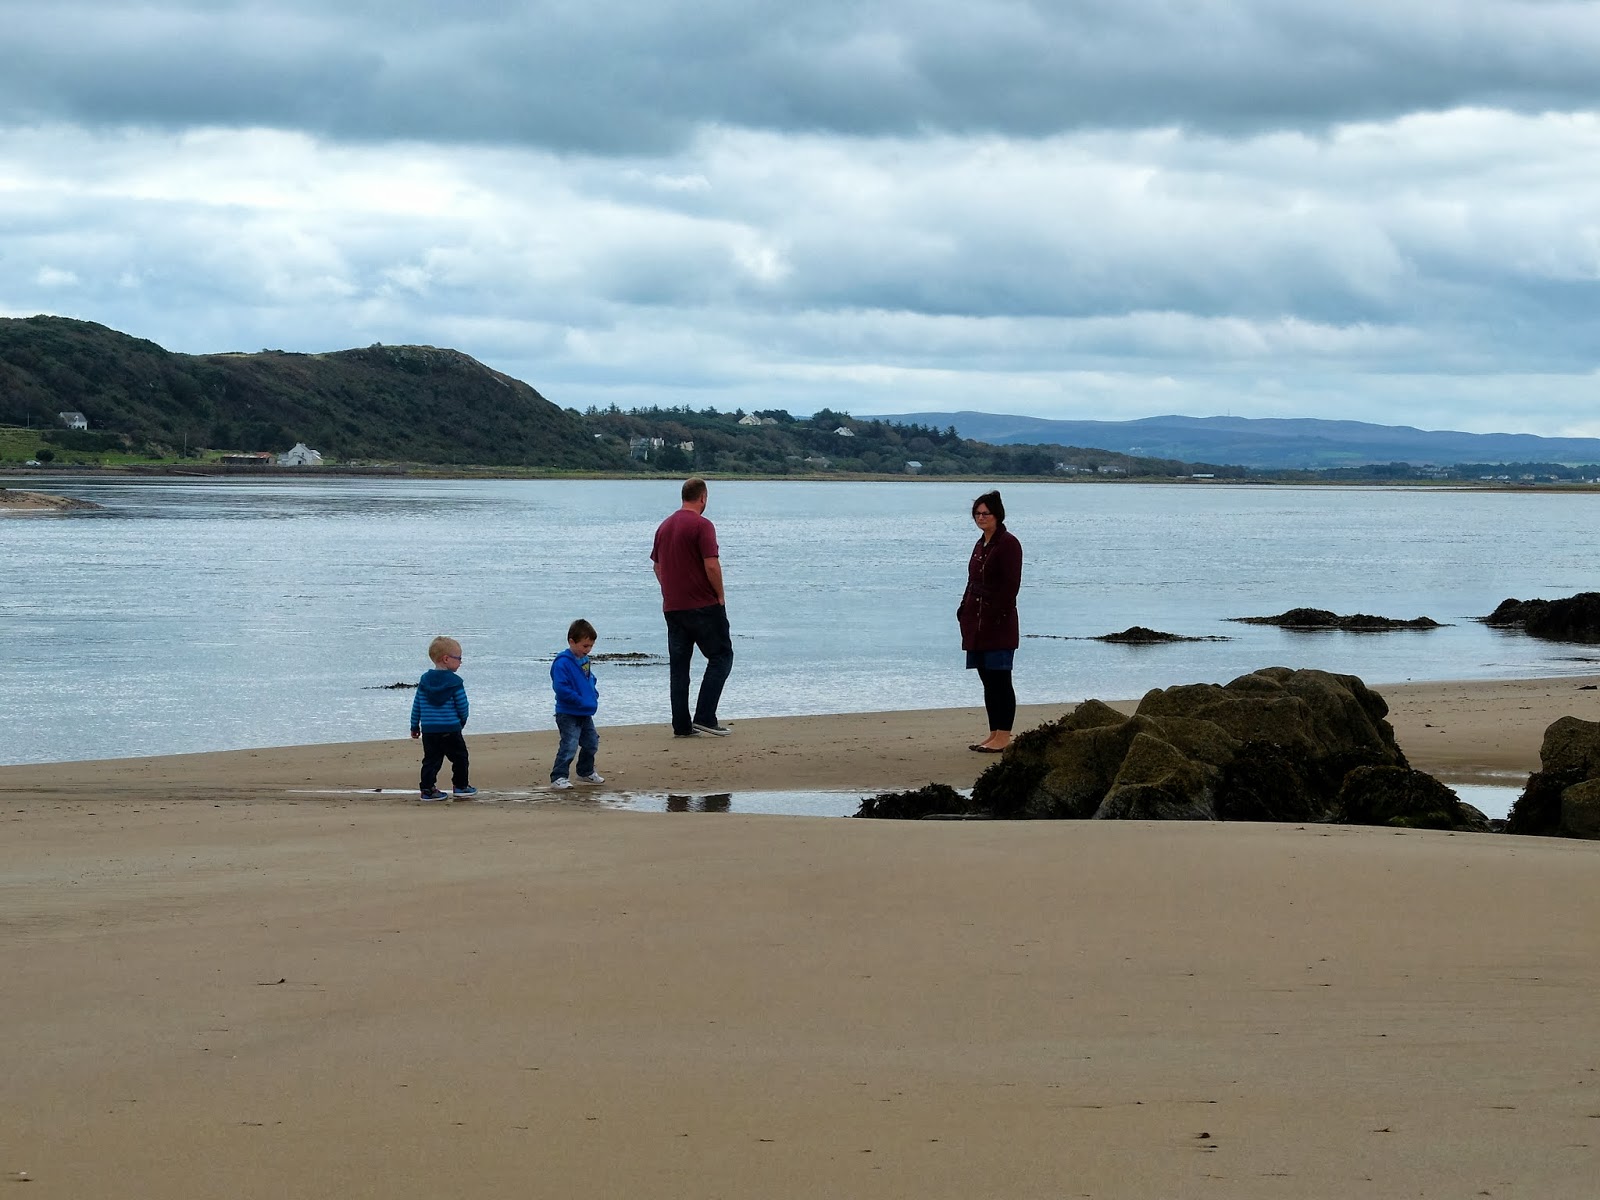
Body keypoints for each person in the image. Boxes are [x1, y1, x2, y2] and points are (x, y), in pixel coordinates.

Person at [651, 476, 734, 737]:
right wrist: (720, 595)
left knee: (679, 667)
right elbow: (711, 564)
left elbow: (657, 566)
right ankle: (705, 716)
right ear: (703, 498)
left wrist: (669, 590)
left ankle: (682, 725)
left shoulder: (664, 526)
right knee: (721, 656)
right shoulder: (702, 525)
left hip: (673, 607)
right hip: (702, 605)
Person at [958, 490, 1023, 753]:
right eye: (977, 513)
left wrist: (996, 615)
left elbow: (1010, 587)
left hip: (999, 623)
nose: (981, 517)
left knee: (1000, 680)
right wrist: (963, 610)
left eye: (986, 513)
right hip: (976, 622)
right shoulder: (980, 544)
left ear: (997, 515)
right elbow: (972, 580)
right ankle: (994, 732)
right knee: (987, 680)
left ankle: (1004, 735)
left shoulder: (1009, 544)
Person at [410, 635, 475, 800]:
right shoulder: (455, 682)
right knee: (460, 758)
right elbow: (463, 706)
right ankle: (461, 785)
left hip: (430, 730)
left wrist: (414, 725)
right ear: (446, 659)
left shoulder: (425, 681)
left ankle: (427, 789)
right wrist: (462, 721)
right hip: (450, 729)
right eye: (459, 658)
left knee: (431, 761)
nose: (460, 662)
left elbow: (417, 704)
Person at [550, 618, 604, 790]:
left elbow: (590, 679)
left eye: (590, 646)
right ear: (572, 641)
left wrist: (593, 693)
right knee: (569, 744)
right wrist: (579, 699)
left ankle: (585, 771)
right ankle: (558, 776)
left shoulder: (585, 660)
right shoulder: (562, 662)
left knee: (591, 742)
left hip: (584, 711)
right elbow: (560, 687)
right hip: (567, 712)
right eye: (584, 646)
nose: (587, 650)